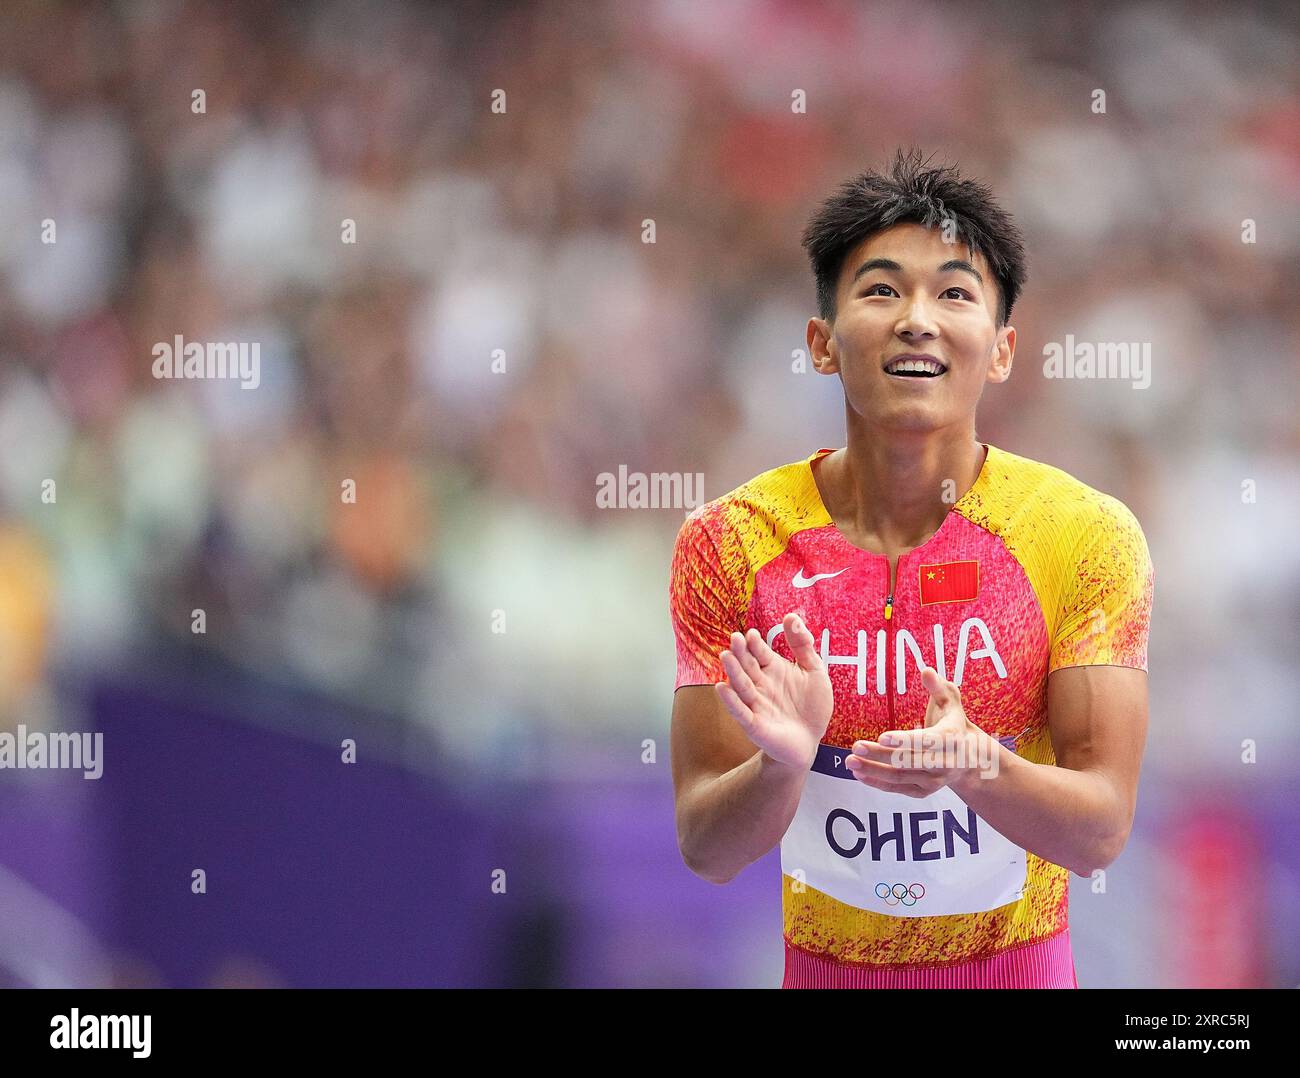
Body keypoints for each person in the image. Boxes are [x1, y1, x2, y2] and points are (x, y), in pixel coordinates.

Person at [668, 148, 1154, 988]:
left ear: (1001, 350)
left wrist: (977, 764)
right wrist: (781, 766)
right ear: (822, 343)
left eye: (955, 293)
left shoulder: (1081, 536)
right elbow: (707, 849)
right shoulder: (731, 543)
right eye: (882, 290)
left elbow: (1100, 832)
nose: (917, 320)